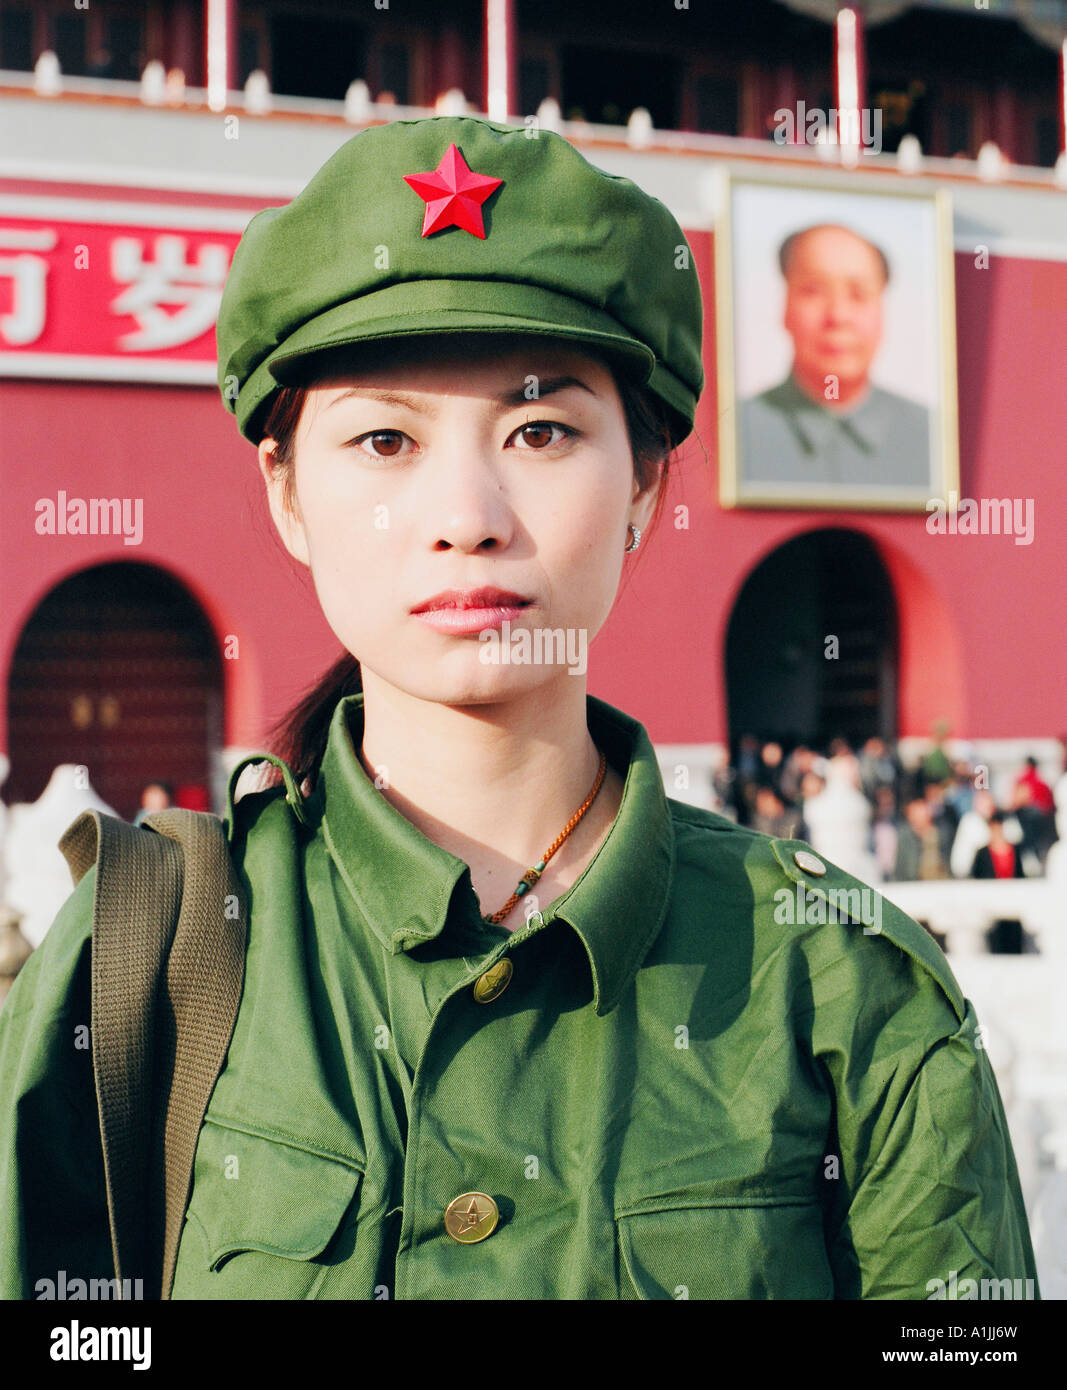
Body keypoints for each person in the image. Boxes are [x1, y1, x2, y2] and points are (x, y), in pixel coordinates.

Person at [0, 115, 1037, 1301]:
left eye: (539, 431)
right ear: (285, 494)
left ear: (644, 483)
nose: (465, 513)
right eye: (383, 438)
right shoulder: (134, 962)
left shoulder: (846, 986)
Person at [739, 223, 930, 491]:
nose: (838, 316)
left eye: (859, 294)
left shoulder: (930, 437)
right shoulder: (737, 429)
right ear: (784, 306)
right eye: (813, 290)